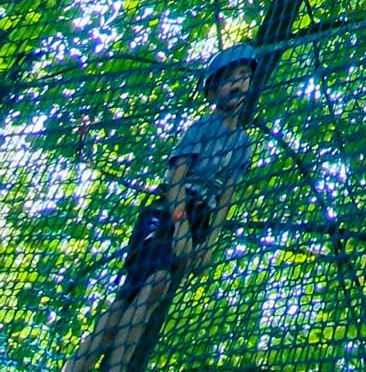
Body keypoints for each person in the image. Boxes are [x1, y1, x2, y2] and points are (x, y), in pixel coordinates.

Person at [64, 45, 256, 372]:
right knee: (154, 284)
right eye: (230, 80)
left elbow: (227, 197)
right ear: (215, 89)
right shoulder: (202, 128)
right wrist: (180, 226)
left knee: (126, 307)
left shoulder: (242, 143)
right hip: (165, 214)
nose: (237, 85)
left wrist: (208, 244)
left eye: (244, 78)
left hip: (199, 219)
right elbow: (176, 180)